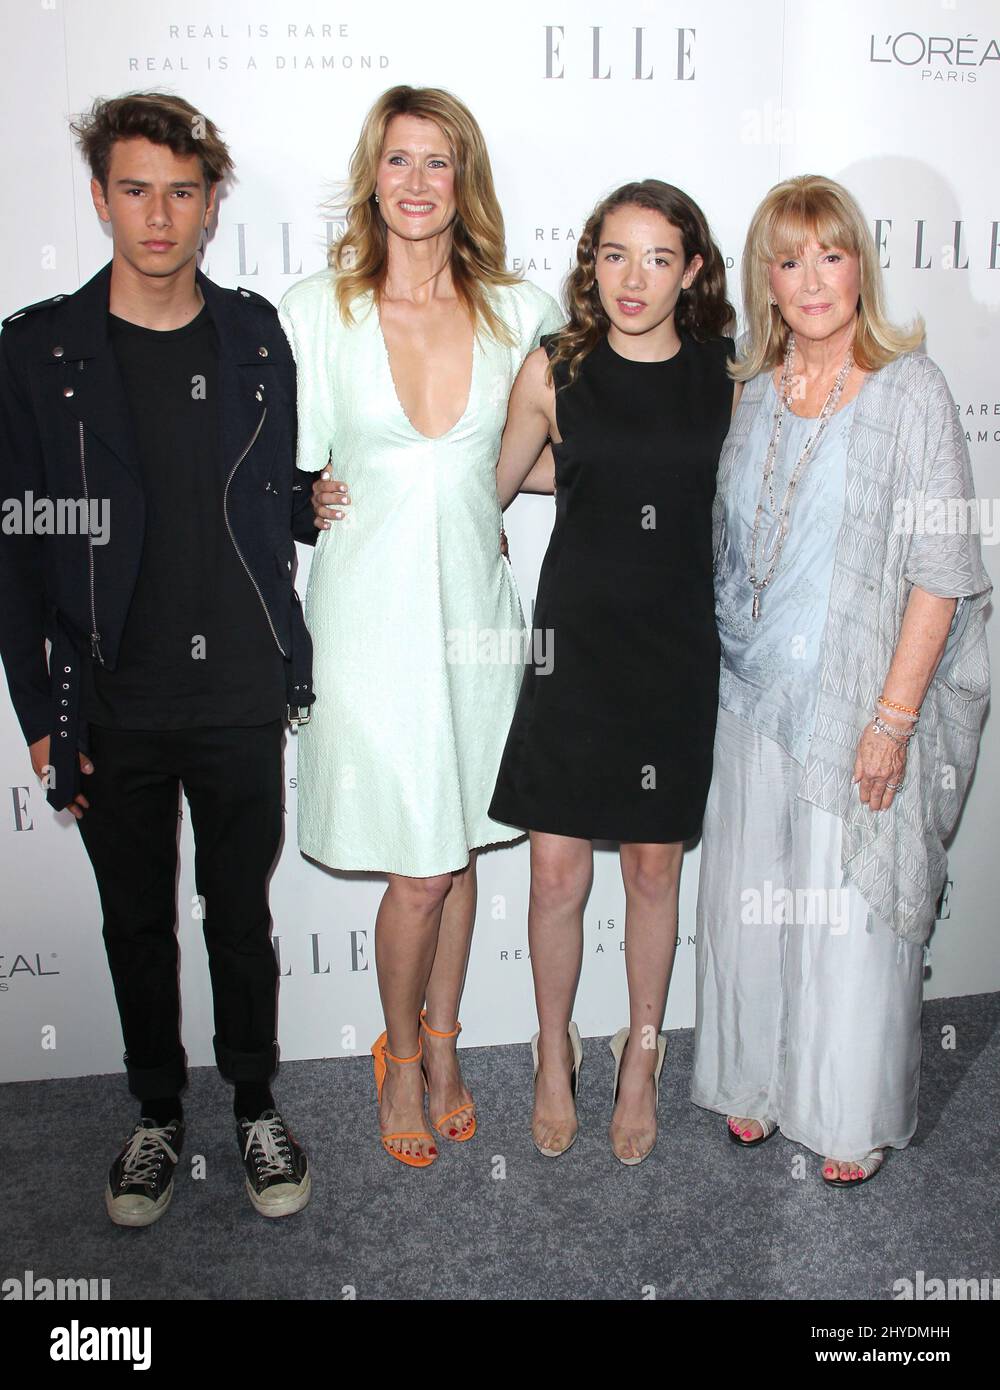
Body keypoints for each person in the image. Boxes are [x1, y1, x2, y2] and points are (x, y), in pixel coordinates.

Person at [0, 92, 316, 1225]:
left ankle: (255, 1106)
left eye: (182, 191)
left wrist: (310, 507)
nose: (159, 215)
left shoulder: (253, 333)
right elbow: (17, 546)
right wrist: (42, 710)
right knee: (134, 919)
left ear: (211, 202)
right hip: (111, 695)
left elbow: (262, 500)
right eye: (135, 189)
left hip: (236, 685)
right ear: (99, 197)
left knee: (240, 914)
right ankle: (153, 1114)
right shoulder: (39, 351)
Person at [280, 85, 562, 1168]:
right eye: (396, 160)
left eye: (436, 162)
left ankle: (444, 1041)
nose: (413, 182)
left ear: (464, 181)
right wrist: (300, 501)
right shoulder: (318, 311)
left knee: (457, 837)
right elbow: (280, 469)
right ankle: (396, 1052)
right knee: (421, 868)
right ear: (372, 174)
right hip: (365, 624)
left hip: (476, 623)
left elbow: (530, 458)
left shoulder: (517, 311)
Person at [690, 174, 991, 1186]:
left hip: (856, 699)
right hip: (748, 695)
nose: (811, 278)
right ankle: (755, 1082)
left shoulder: (913, 390)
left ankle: (844, 1110)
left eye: (830, 253)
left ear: (860, 261)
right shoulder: (750, 391)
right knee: (756, 896)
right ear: (763, 280)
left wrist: (891, 721)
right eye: (787, 258)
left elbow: (941, 574)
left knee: (845, 905)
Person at [486, 180, 736, 1164]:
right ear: (590, 263)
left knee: (649, 866)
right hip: (576, 651)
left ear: (694, 270)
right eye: (615, 256)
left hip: (675, 651)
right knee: (552, 871)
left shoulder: (728, 373)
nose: (634, 279)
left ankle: (641, 1054)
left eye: (659, 258)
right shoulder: (554, 367)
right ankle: (555, 1051)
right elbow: (496, 488)